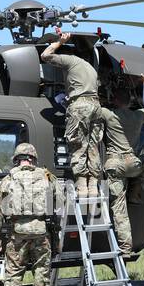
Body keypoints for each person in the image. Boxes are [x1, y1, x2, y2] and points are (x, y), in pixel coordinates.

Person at [0, 143, 62, 286]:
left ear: (16, 159)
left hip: (17, 234)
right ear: (33, 158)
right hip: (41, 233)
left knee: (13, 272)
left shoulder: (8, 179)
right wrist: (56, 230)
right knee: (41, 272)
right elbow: (60, 203)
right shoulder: (47, 177)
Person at [98, 76, 144, 254]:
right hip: (133, 163)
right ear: (129, 101)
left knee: (119, 208)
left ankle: (125, 248)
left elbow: (92, 106)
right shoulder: (138, 115)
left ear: (115, 100)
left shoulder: (108, 114)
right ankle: (135, 192)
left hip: (115, 165)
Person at [40, 29, 102, 199]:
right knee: (93, 146)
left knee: (77, 144)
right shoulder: (90, 68)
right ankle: (93, 186)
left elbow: (45, 56)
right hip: (95, 106)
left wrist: (59, 42)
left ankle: (82, 186)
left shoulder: (70, 60)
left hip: (80, 105)